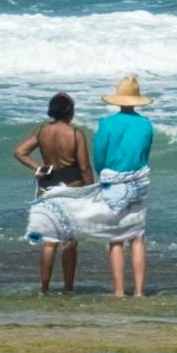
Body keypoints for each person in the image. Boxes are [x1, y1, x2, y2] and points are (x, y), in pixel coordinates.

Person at [74, 75, 159, 298]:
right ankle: (140, 292)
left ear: (118, 99)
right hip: (140, 179)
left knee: (116, 238)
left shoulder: (106, 124)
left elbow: (100, 156)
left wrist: (102, 174)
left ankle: (120, 290)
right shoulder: (146, 124)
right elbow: (145, 154)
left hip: (115, 182)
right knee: (138, 236)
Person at [13, 93, 93, 295]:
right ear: (69, 111)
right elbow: (84, 167)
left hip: (47, 187)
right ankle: (68, 288)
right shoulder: (75, 133)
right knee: (69, 242)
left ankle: (45, 288)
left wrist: (38, 167)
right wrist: (91, 191)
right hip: (71, 189)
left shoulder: (42, 131)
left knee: (49, 241)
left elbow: (20, 152)